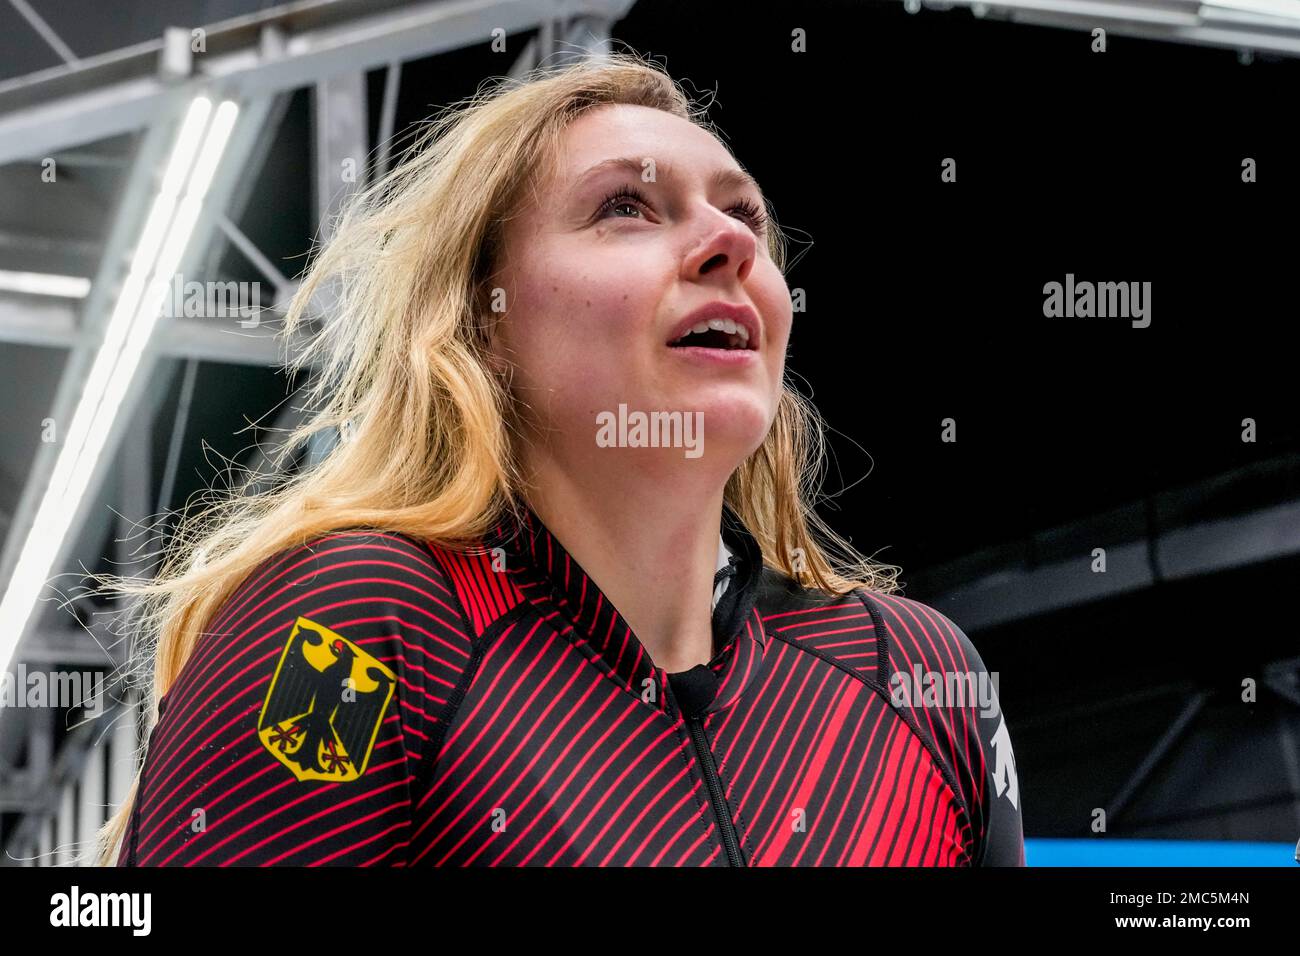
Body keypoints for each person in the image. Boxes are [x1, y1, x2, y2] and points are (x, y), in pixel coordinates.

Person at [97, 51, 1024, 866]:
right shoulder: (356, 627)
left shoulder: (910, 674)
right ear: (482, 325)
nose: (733, 241)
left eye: (745, 214)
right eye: (626, 207)